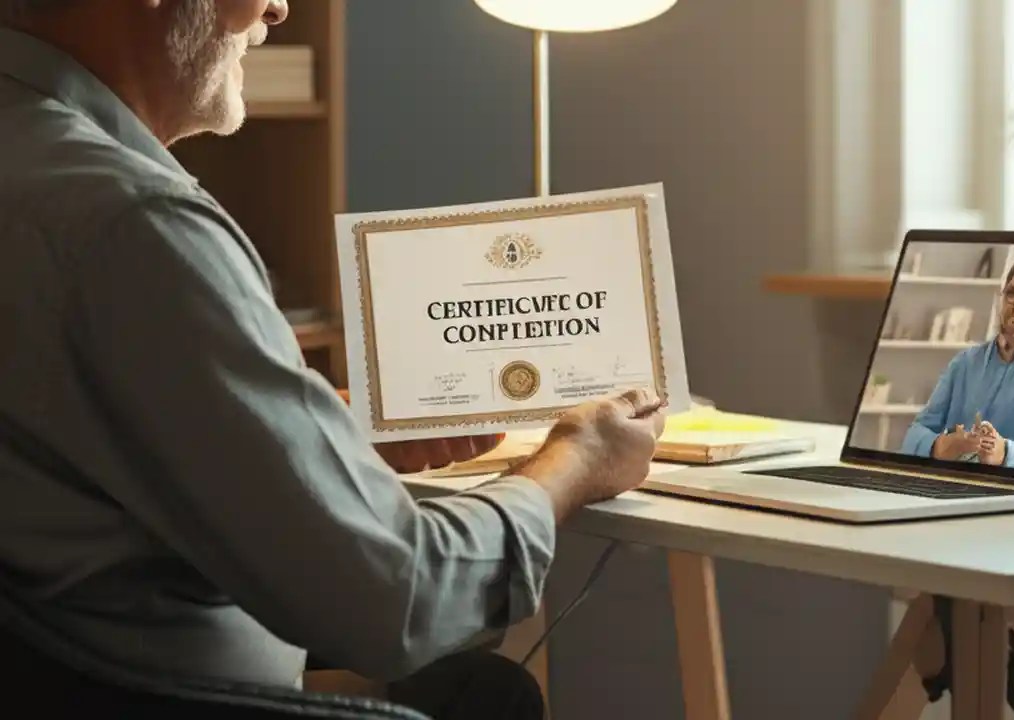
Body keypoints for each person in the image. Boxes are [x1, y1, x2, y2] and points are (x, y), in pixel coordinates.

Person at [0, 2, 666, 718]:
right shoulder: (134, 223)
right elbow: (401, 598)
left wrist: (324, 435)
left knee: (484, 693)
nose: (279, 7)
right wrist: (574, 462)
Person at [900, 253, 1014, 471]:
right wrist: (939, 447)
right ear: (1002, 296)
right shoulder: (964, 362)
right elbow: (915, 432)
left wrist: (1004, 452)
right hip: (947, 480)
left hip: (1000, 490)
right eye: (1012, 294)